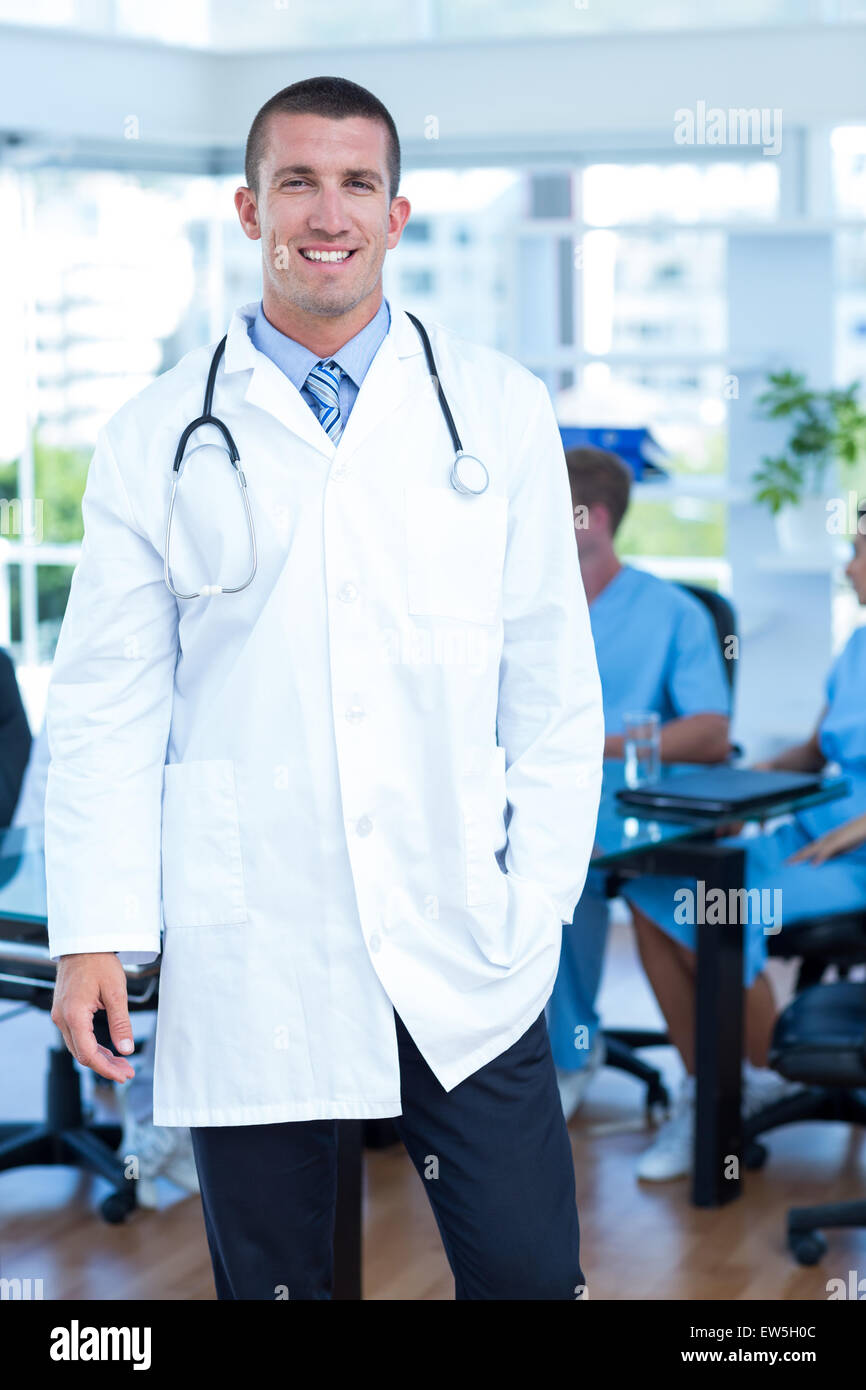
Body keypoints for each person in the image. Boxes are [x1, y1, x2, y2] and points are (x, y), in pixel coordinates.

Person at [45, 76, 605, 1299]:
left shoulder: (496, 410)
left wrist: (538, 901)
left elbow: (553, 688)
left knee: (526, 1276)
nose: (325, 210)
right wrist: (91, 928)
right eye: (295, 180)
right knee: (284, 1289)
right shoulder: (156, 435)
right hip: (260, 937)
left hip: (464, 936)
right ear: (249, 208)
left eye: (355, 182)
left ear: (397, 214)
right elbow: (106, 704)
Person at [625, 503, 866, 1181]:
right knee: (651, 891)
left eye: (857, 552)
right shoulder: (856, 648)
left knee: (719, 907)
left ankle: (766, 1072)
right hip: (809, 832)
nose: (847, 568)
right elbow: (817, 751)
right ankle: (713, 1090)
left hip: (854, 856)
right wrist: (742, 783)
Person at [547, 446, 731, 1119]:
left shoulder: (672, 612)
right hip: (534, 792)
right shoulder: (526, 603)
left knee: (561, 862)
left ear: (589, 519)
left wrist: (599, 745)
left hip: (630, 805)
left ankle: (571, 1056)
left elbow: (711, 732)